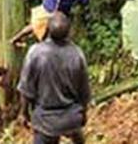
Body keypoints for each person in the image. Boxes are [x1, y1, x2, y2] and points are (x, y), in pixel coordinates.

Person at [17, 12, 91, 143]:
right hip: (71, 117)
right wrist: (83, 113)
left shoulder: (36, 53)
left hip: (45, 119)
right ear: (69, 32)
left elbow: (26, 87)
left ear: (47, 30)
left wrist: (23, 113)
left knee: (45, 135)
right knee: (76, 133)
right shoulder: (77, 53)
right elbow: (84, 90)